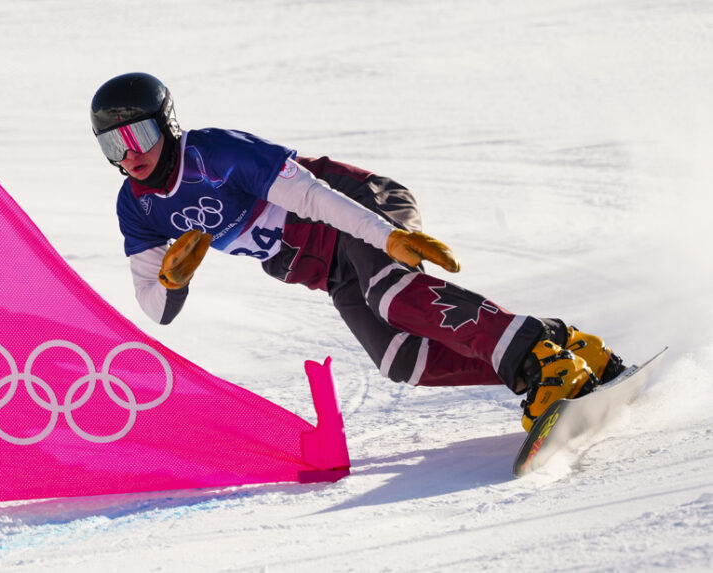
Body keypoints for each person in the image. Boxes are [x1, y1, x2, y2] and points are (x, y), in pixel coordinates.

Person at [90, 72, 625, 431]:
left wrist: (386, 236)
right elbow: (154, 308)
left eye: (137, 133)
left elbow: (310, 196)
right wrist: (172, 280)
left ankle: (542, 360)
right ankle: (553, 352)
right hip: (327, 268)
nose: (130, 152)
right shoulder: (136, 207)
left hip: (356, 208)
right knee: (400, 360)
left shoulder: (213, 152)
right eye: (114, 143)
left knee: (396, 297)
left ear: (166, 123)